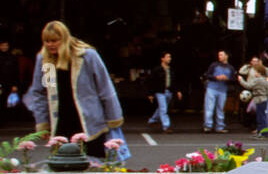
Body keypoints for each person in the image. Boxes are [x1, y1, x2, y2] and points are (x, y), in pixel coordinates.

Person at [23, 21, 124, 159]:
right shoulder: (45, 59)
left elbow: (105, 87)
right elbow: (40, 92)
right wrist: (43, 124)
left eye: (54, 40)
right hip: (60, 122)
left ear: (64, 38)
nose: (50, 44)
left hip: (90, 122)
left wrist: (113, 118)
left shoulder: (87, 55)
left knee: (93, 164)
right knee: (62, 165)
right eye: (46, 41)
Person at [238, 56, 268, 137]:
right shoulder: (265, 80)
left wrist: (241, 80)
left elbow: (248, 85)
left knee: (261, 116)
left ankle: (263, 133)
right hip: (263, 98)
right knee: (261, 115)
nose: (255, 73)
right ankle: (260, 131)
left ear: (259, 73)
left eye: (256, 72)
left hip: (259, 99)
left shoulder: (258, 80)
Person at [202, 50, 237, 133]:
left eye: (221, 55)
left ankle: (220, 126)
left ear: (226, 56)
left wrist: (227, 79)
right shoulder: (214, 65)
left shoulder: (230, 67)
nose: (219, 57)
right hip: (212, 88)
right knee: (209, 108)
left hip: (223, 90)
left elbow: (234, 79)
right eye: (219, 55)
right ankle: (208, 126)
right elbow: (207, 75)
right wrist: (216, 77)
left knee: (220, 109)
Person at [146, 52, 181, 132]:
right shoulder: (157, 70)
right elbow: (151, 81)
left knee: (162, 107)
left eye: (170, 57)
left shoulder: (170, 69)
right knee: (163, 109)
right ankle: (166, 126)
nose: (169, 59)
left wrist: (177, 91)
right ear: (162, 58)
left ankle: (152, 120)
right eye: (168, 57)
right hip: (160, 91)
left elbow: (174, 81)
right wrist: (150, 93)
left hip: (169, 91)